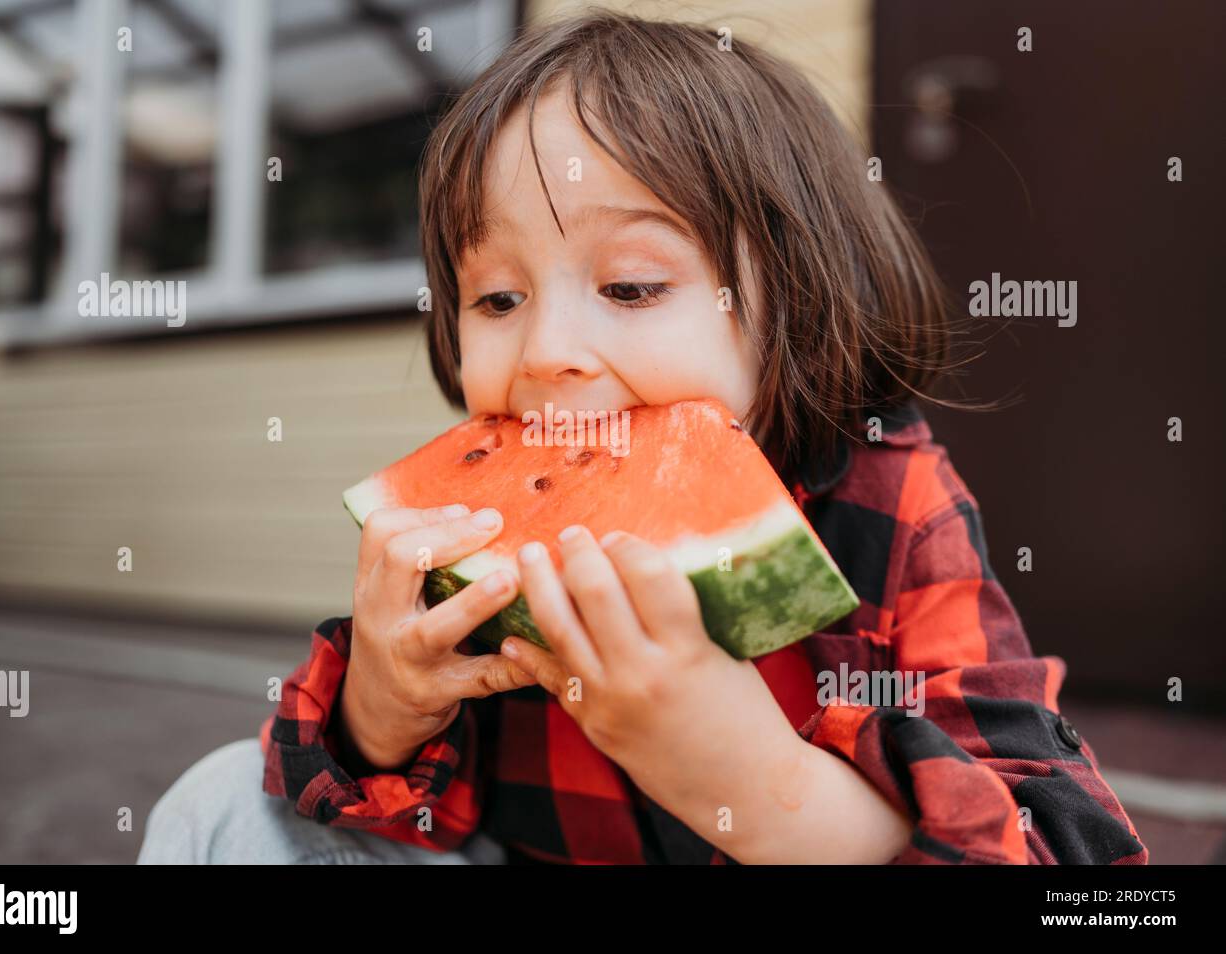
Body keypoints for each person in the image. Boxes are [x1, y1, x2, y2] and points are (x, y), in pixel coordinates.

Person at [138, 10, 1147, 865]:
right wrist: (383, 711)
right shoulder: (482, 518)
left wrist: (753, 781)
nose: (548, 351)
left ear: (798, 298)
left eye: (629, 287)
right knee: (226, 802)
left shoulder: (895, 503)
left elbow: (1063, 837)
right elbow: (391, 799)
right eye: (496, 297)